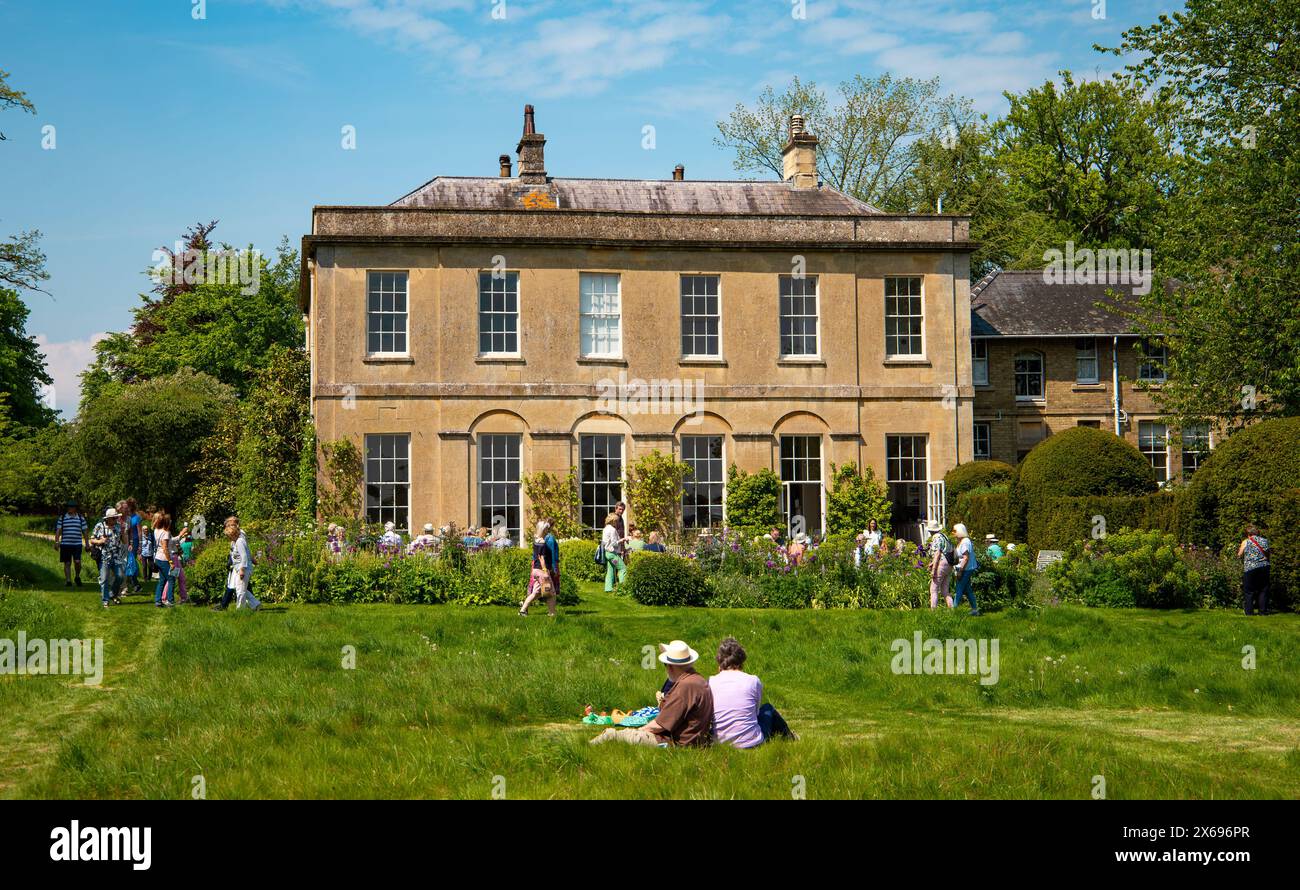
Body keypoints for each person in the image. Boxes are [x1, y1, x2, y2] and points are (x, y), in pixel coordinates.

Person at [590, 640, 713, 748]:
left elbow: (659, 725)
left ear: (670, 666)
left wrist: (638, 731)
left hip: (674, 743)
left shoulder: (685, 686)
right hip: (692, 742)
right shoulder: (698, 680)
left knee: (611, 735)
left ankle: (586, 748)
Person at [708, 637, 795, 748]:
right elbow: (756, 712)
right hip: (752, 744)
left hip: (720, 744)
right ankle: (790, 738)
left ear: (719, 661)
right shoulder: (753, 680)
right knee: (768, 708)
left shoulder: (710, 681)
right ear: (741, 660)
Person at [212, 516, 261, 612]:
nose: (228, 525)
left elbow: (244, 554)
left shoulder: (240, 538)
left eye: (230, 524)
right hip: (237, 566)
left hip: (242, 567)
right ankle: (255, 604)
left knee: (240, 589)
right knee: (239, 587)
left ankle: (240, 610)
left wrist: (244, 567)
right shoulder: (235, 540)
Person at [520, 520, 560, 617]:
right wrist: (546, 571)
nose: (548, 530)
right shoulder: (542, 542)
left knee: (536, 592)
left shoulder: (536, 540)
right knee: (551, 593)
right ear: (543, 529)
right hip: (542, 571)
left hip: (536, 570)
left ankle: (522, 610)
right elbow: (541, 558)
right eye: (546, 528)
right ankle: (552, 613)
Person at [90, 508, 126, 609]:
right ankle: (105, 600)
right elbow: (92, 540)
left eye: (116, 518)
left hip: (116, 556)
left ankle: (112, 594)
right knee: (104, 579)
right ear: (108, 518)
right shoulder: (99, 526)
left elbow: (124, 541)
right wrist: (100, 541)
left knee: (120, 576)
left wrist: (123, 532)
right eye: (114, 518)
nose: (116, 520)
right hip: (104, 557)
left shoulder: (118, 527)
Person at [53, 501, 89, 587]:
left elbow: (85, 531)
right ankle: (68, 580)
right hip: (65, 544)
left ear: (75, 508)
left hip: (77, 544)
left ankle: (77, 576)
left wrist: (87, 544)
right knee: (67, 563)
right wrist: (57, 542)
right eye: (68, 507)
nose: (70, 508)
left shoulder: (80, 518)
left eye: (72, 507)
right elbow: (58, 530)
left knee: (77, 561)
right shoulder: (62, 518)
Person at [1238, 524, 1271, 615]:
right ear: (1257, 532)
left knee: (1249, 591)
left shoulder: (1246, 541)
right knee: (1263, 589)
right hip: (1264, 567)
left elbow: (1239, 554)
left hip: (1250, 567)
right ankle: (1263, 612)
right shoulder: (1265, 541)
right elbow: (1268, 554)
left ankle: (1249, 612)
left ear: (1248, 534)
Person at [951, 522, 980, 616]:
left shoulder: (965, 542)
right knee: (967, 589)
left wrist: (960, 571)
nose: (953, 533)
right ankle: (975, 610)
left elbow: (966, 558)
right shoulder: (962, 541)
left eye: (954, 531)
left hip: (966, 569)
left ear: (960, 531)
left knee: (959, 588)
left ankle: (954, 611)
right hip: (965, 568)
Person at [927, 518, 954, 610]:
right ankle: (952, 609)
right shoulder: (944, 536)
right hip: (949, 565)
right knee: (945, 590)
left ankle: (933, 611)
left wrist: (933, 570)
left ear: (931, 531)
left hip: (941, 564)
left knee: (933, 589)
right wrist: (932, 563)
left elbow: (937, 554)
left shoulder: (936, 537)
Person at [601, 512, 628, 592]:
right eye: (616, 521)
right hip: (612, 555)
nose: (617, 523)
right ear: (613, 521)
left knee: (610, 570)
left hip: (607, 553)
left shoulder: (605, 529)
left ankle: (608, 588)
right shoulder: (612, 530)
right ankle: (622, 588)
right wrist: (622, 540)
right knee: (623, 568)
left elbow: (604, 542)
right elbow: (614, 543)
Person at [152, 512, 174, 607]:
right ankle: (170, 601)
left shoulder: (156, 530)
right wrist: (170, 562)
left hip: (157, 558)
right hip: (164, 559)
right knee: (171, 579)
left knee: (162, 580)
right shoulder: (166, 533)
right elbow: (165, 548)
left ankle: (158, 600)